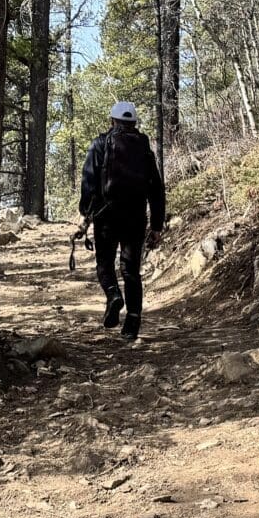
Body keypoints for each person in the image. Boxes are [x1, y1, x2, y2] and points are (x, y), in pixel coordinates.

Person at [79, 101, 167, 341]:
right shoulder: (144, 149)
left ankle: (113, 294)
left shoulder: (100, 144)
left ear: (112, 121)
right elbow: (156, 189)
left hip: (106, 217)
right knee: (131, 270)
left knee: (104, 264)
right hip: (136, 217)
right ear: (133, 123)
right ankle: (133, 322)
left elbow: (89, 182)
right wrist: (157, 225)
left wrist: (85, 214)